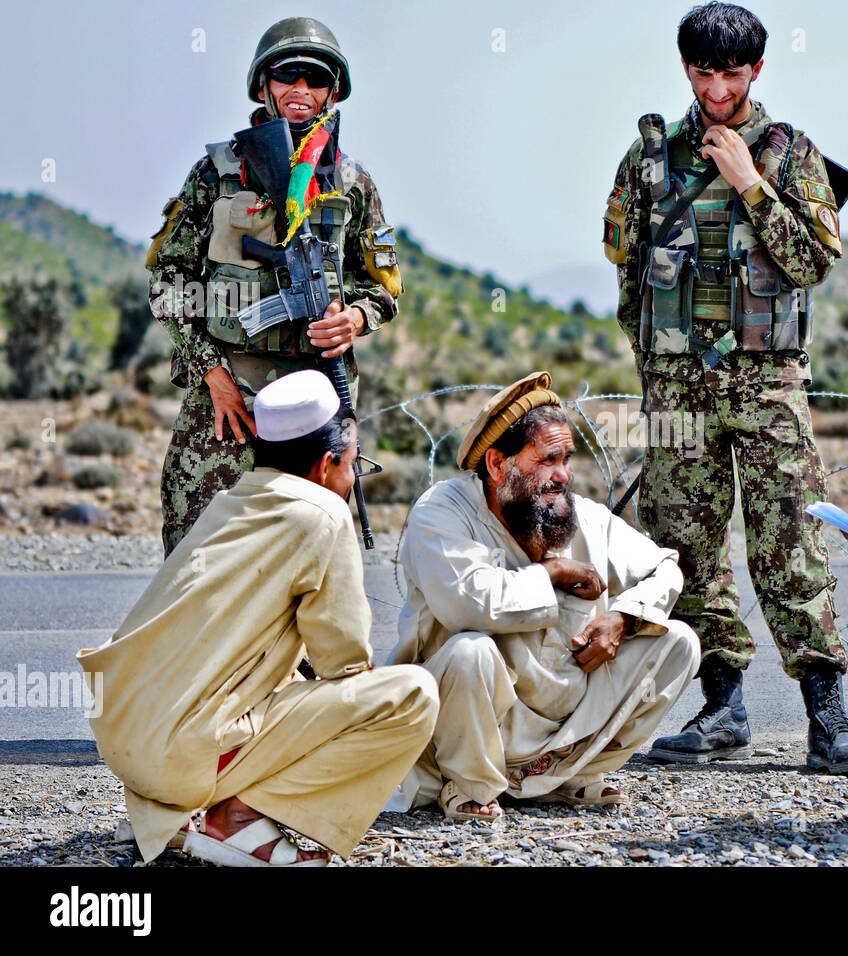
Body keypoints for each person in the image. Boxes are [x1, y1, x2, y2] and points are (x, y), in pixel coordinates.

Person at [602, 2, 848, 774]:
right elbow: (631, 276)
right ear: (685, 68)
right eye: (702, 72)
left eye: (731, 73)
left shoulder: (791, 155)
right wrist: (655, 368)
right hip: (677, 385)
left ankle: (829, 719)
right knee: (685, 546)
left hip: (767, 383)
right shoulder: (650, 159)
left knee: (789, 538)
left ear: (757, 70)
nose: (716, 88)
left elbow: (815, 262)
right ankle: (721, 709)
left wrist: (751, 184)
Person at [78, 370, 438, 866]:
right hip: (181, 758)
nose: (353, 479)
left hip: (127, 746)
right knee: (412, 696)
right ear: (326, 463)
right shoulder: (324, 513)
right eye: (355, 465)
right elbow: (343, 662)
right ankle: (239, 819)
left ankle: (190, 812)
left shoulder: (230, 501)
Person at [386, 372, 701, 821]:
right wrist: (551, 572)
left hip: (557, 733)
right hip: (467, 725)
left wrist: (624, 619)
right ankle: (468, 784)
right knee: (469, 651)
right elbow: (468, 604)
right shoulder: (444, 512)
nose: (563, 476)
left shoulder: (579, 517)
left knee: (678, 642)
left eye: (567, 459)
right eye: (547, 459)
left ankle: (567, 777)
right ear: (497, 465)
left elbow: (663, 568)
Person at [148, 16, 403, 555]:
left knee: (306, 557)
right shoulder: (216, 174)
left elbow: (381, 286)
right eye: (288, 76)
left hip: (316, 394)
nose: (301, 91)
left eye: (316, 80)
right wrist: (210, 373)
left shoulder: (352, 183)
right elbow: (169, 282)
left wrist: (355, 318)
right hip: (227, 397)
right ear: (264, 85)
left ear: (333, 91)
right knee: (199, 555)